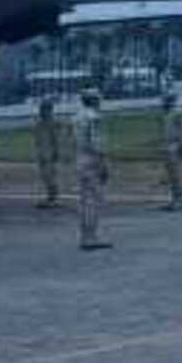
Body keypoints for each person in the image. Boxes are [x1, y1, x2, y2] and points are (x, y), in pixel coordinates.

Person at [74, 88, 112, 250]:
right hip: (92, 160)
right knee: (93, 200)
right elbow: (97, 144)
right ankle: (91, 237)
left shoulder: (77, 117)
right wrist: (103, 164)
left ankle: (85, 236)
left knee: (85, 200)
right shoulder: (94, 118)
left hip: (81, 158)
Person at [157, 90, 182, 211]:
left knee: (177, 175)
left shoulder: (178, 112)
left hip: (175, 146)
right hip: (167, 146)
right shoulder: (167, 113)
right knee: (171, 176)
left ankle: (180, 200)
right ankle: (174, 199)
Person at [30, 95, 62, 208]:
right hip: (42, 153)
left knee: (50, 176)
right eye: (42, 109)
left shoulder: (52, 123)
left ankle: (53, 198)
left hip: (49, 153)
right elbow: (37, 140)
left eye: (45, 109)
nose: (42, 111)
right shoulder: (39, 124)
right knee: (45, 176)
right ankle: (51, 197)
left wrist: (56, 152)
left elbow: (55, 139)